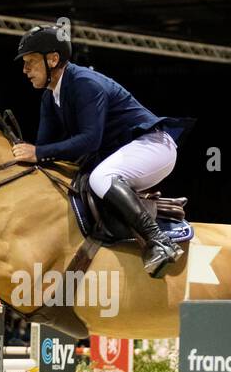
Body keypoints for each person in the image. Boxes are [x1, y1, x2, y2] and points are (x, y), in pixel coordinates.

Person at [12, 19, 194, 278]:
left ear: (52, 59)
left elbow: (89, 141)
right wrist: (30, 154)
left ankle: (159, 242)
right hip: (124, 151)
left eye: (29, 61)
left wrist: (37, 153)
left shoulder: (86, 84)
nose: (25, 69)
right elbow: (44, 149)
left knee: (101, 177)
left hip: (153, 146)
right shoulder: (50, 97)